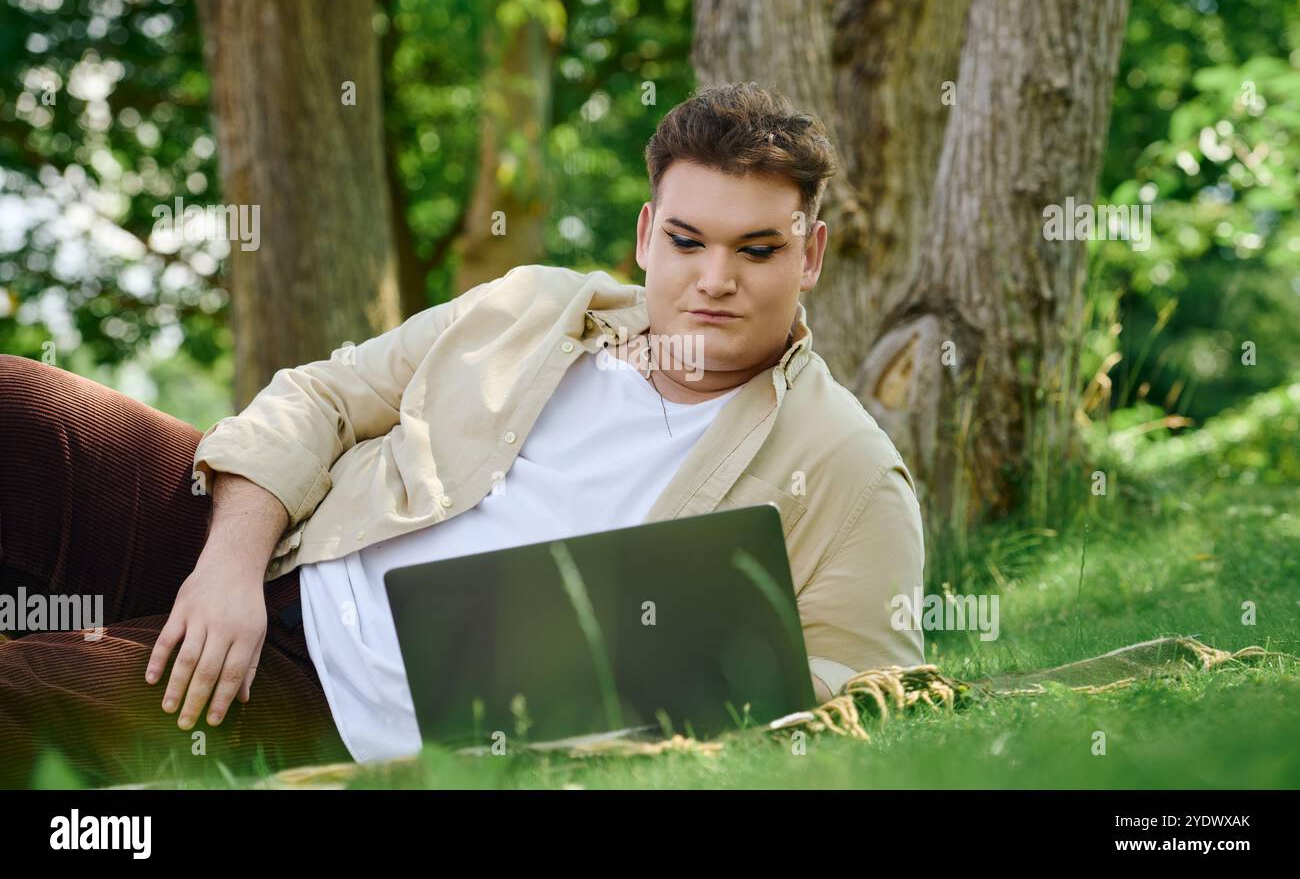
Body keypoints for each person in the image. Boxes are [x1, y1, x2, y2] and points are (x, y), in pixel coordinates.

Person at [0, 81, 924, 785]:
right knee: (23, 408)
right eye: (688, 241)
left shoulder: (848, 471)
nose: (714, 278)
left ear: (811, 254)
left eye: (756, 249)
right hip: (282, 548)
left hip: (354, 709)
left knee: (23, 694)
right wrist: (229, 566)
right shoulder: (536, 306)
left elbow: (854, 702)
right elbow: (319, 395)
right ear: (646, 235)